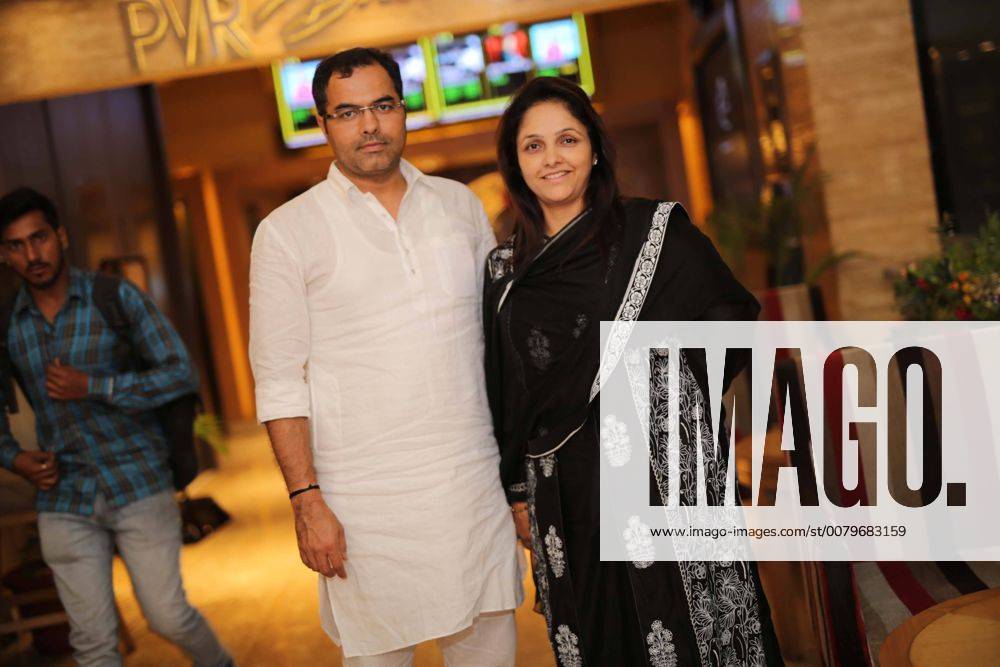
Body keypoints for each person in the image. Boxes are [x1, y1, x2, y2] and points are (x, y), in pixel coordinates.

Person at [484, 77, 784, 666]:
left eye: (568, 139)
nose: (552, 158)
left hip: (658, 469)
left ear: (594, 150)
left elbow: (730, 317)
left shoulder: (654, 232)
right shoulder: (504, 271)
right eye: (533, 146)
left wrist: (664, 396)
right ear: (515, 165)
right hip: (565, 490)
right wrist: (517, 492)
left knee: (689, 631)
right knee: (602, 633)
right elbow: (506, 387)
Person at [248, 47, 522, 666]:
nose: (369, 125)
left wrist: (516, 484)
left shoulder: (459, 206)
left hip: (471, 488)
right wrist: (306, 501)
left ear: (404, 108)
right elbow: (279, 379)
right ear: (323, 124)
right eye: (348, 112)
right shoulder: (287, 232)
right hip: (364, 508)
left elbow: (494, 346)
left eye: (382, 105)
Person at [0, 187, 232, 667]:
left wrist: (96, 387)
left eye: (39, 238)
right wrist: (14, 458)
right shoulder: (7, 325)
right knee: (93, 645)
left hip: (138, 482)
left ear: (61, 236)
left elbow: (179, 373)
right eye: (16, 246)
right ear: (4, 255)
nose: (32, 255)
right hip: (64, 496)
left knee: (167, 616)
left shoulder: (113, 297)